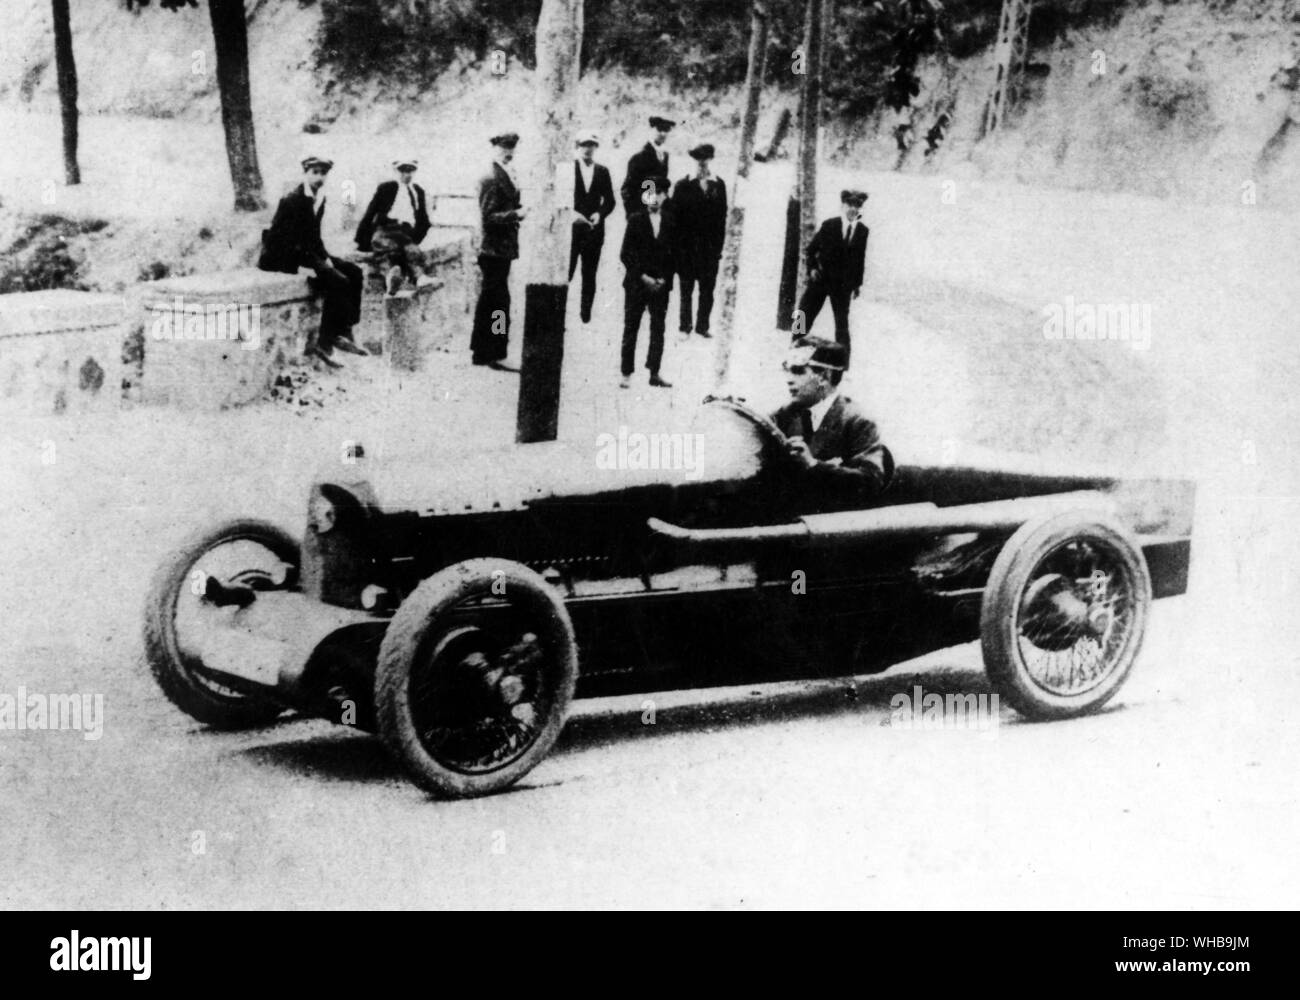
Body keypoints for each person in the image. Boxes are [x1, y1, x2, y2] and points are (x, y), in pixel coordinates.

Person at [258, 155, 367, 368]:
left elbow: (314, 236)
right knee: (338, 281)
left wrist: (326, 258)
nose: (319, 177)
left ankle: (346, 331)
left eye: (323, 173)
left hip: (307, 252)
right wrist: (303, 267)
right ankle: (325, 343)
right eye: (314, 172)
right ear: (306, 173)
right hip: (284, 256)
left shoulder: (319, 198)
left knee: (354, 272)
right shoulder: (292, 199)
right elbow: (280, 239)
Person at [769, 337, 890, 499]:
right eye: (787, 369)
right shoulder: (781, 416)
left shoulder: (858, 422)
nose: (789, 380)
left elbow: (870, 482)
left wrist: (813, 465)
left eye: (798, 371)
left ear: (825, 377)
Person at [795, 189, 869, 364]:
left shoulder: (862, 231)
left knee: (842, 325)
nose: (853, 209)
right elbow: (811, 250)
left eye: (857, 206)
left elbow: (860, 259)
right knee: (803, 315)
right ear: (843, 205)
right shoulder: (830, 225)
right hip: (821, 281)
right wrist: (812, 269)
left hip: (842, 286)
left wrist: (857, 285)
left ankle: (843, 363)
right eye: (850, 205)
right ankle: (793, 349)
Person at [470, 132, 525, 370]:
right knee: (498, 303)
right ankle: (497, 353)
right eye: (504, 148)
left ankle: (482, 353)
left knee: (490, 301)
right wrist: (516, 214)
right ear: (495, 148)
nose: (509, 151)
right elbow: (489, 217)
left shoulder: (505, 173)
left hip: (500, 249)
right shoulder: (492, 177)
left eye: (512, 147)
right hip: (493, 249)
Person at [619, 174, 674, 389]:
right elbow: (625, 254)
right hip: (636, 284)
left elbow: (674, 254)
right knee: (631, 327)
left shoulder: (670, 221)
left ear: (665, 195)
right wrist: (643, 277)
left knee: (658, 328)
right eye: (649, 193)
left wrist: (663, 279)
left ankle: (654, 372)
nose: (654, 198)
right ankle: (626, 373)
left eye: (659, 193)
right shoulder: (636, 219)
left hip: (660, 286)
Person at [670, 142, 727, 337]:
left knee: (707, 291)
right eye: (698, 159)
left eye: (705, 158)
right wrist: (677, 249)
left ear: (711, 159)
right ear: (693, 161)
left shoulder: (718, 185)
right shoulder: (683, 184)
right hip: (687, 249)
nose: (701, 163)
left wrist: (718, 248)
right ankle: (684, 327)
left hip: (709, 250)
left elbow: (722, 218)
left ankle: (703, 327)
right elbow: (674, 219)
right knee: (686, 290)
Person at [355, 157, 432, 295]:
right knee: (385, 249)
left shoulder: (417, 191)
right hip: (386, 228)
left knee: (412, 250)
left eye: (410, 171)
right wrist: (361, 239)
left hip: (405, 231)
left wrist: (416, 236)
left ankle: (418, 278)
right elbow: (371, 212)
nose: (406, 174)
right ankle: (393, 277)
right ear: (396, 171)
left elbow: (423, 219)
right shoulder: (387, 187)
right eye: (403, 170)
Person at [569, 131, 616, 324]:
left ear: (596, 148)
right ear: (577, 146)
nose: (588, 149)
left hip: (594, 231)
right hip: (571, 231)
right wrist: (573, 215)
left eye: (592, 145)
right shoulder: (568, 168)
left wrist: (600, 213)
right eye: (584, 144)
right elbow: (561, 198)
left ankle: (585, 313)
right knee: (567, 270)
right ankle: (559, 308)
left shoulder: (602, 171)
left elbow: (611, 201)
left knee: (589, 274)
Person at [619, 115, 674, 216]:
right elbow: (627, 191)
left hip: (659, 213)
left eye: (666, 130)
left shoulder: (665, 155)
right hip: (643, 215)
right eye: (659, 129)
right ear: (651, 129)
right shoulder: (639, 157)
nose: (663, 133)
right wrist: (636, 216)